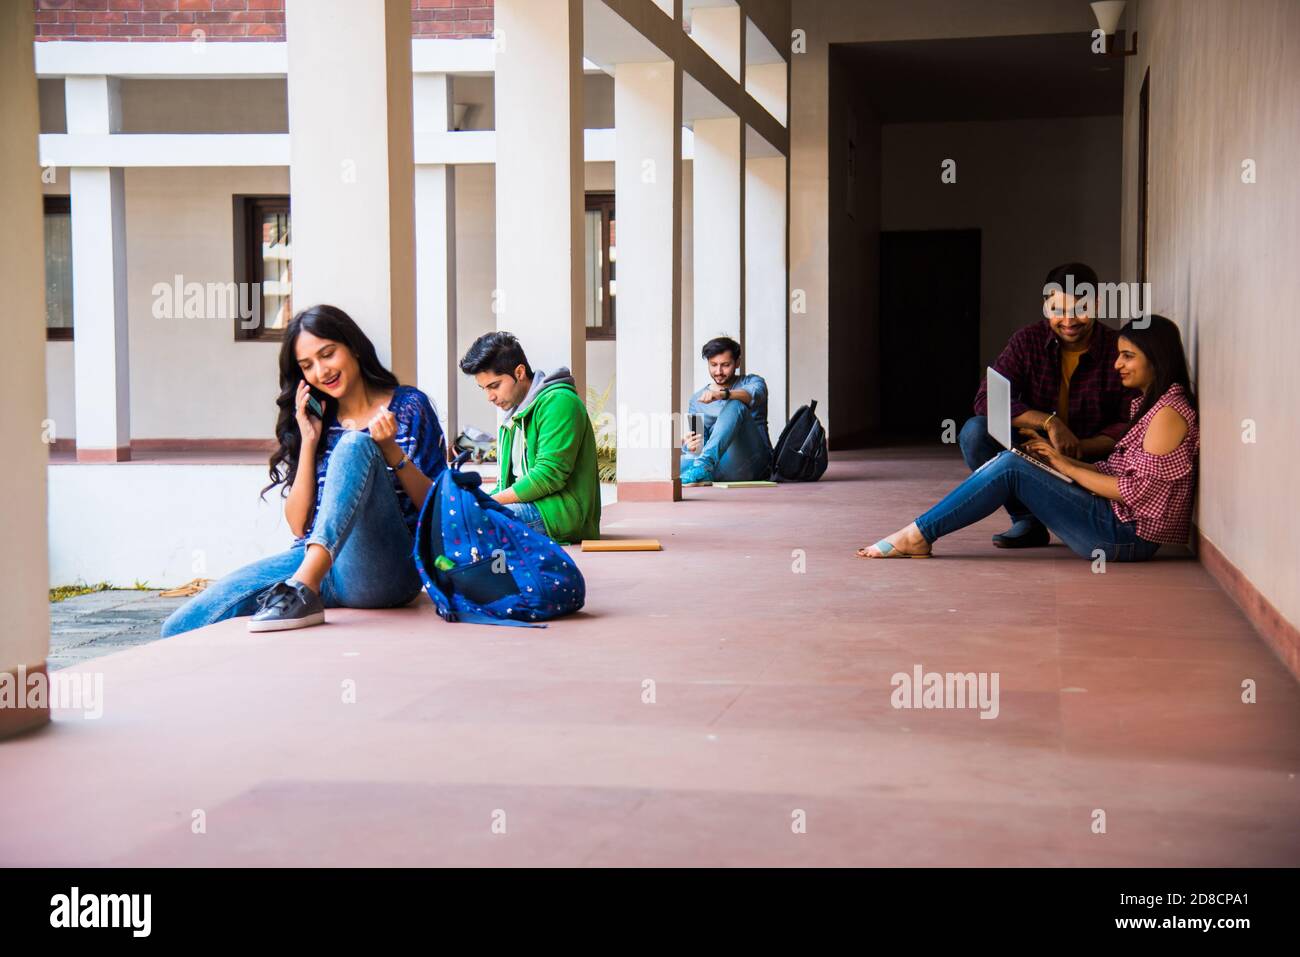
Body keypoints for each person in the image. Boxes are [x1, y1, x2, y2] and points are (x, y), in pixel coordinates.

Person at [161, 304, 447, 635]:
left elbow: (437, 507)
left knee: (354, 445)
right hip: (315, 565)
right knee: (182, 624)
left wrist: (391, 451)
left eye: (328, 354)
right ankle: (304, 589)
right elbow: (299, 525)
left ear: (352, 346)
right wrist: (309, 441)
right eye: (307, 365)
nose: (321, 371)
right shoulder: (316, 422)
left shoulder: (410, 406)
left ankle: (301, 590)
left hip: (383, 573)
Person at [858, 315, 1197, 563]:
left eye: (1128, 356)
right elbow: (1124, 475)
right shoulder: (1152, 404)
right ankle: (930, 532)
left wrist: (1066, 464)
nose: (1117, 365)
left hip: (1122, 537)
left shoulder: (1168, 413)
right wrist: (1053, 460)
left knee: (1012, 467)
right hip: (1114, 520)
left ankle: (917, 535)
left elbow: (1132, 492)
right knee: (1016, 458)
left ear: (1157, 358)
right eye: (1119, 355)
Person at [963, 262, 1136, 548]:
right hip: (1033, 452)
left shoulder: (1116, 347)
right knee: (976, 431)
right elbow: (987, 401)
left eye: (1079, 310)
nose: (1068, 321)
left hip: (1093, 461)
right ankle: (1028, 520)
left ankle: (1081, 518)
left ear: (1096, 304)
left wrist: (1080, 447)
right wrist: (1049, 423)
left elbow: (1131, 419)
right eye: (1058, 311)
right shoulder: (1026, 341)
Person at [458, 331, 601, 543]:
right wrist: (479, 500)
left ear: (519, 372)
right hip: (532, 508)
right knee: (458, 516)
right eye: (484, 389)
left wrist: (488, 501)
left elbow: (547, 476)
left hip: (560, 515)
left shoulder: (559, 402)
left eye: (494, 386)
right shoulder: (513, 418)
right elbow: (508, 484)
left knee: (470, 522)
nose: (490, 397)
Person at [679, 336, 773, 486]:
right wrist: (688, 445)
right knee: (670, 467)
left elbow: (751, 396)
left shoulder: (754, 382)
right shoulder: (697, 400)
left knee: (735, 404)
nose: (718, 371)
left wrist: (723, 394)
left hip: (754, 461)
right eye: (713, 365)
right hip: (719, 464)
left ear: (737, 363)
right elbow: (699, 443)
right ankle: (703, 470)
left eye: (725, 365)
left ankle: (703, 467)